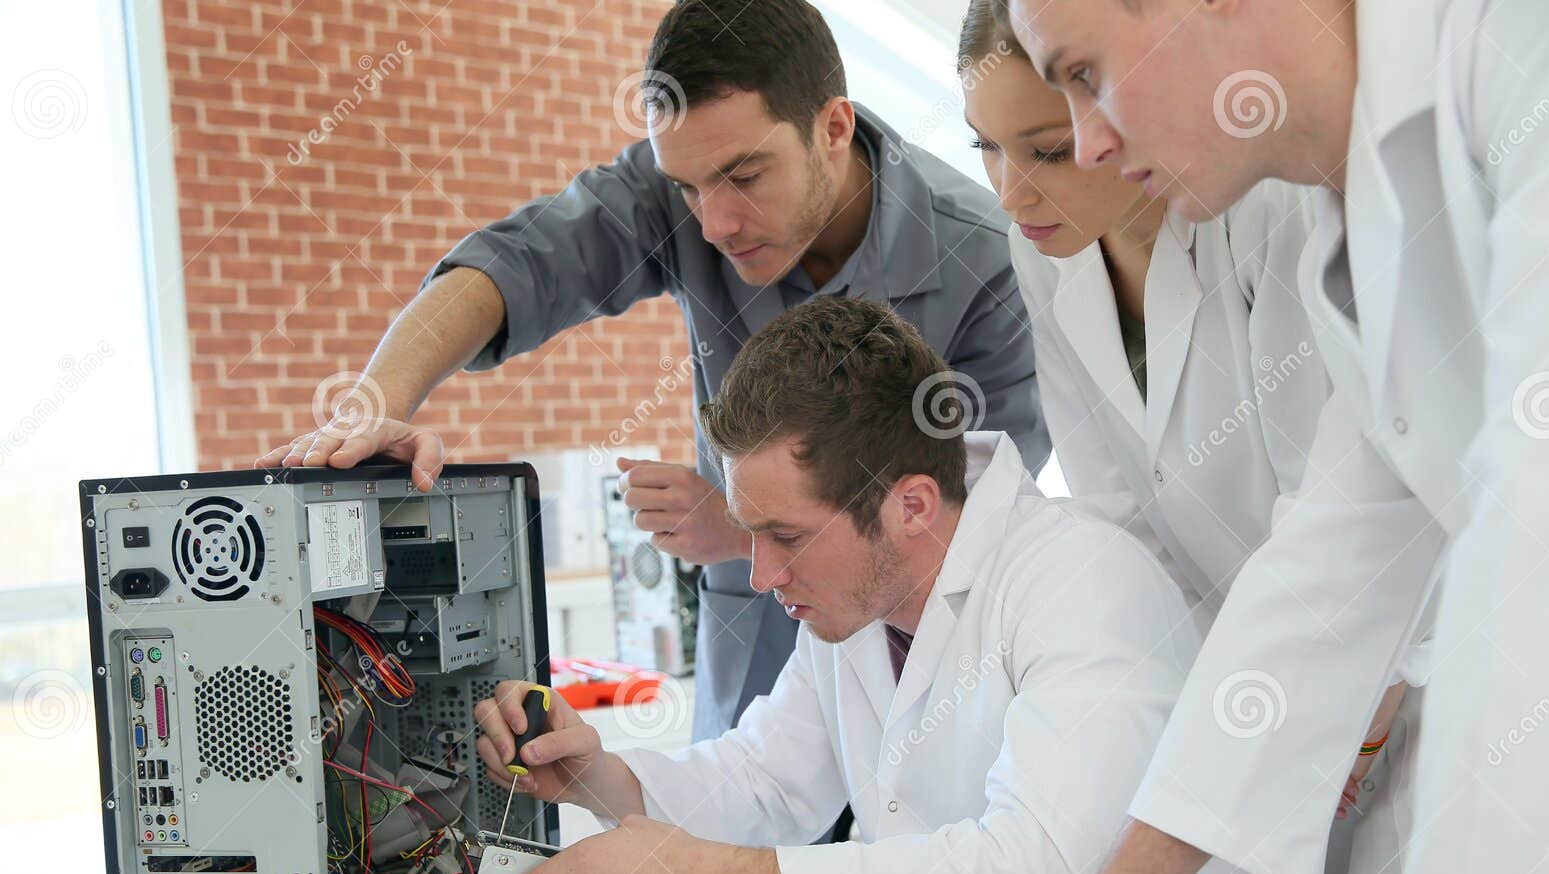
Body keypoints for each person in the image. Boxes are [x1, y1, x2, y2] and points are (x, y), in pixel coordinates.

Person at [919, 0, 1549, 874]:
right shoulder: (1355, 221)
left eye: (1086, 75)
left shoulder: (1536, 53)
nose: (1088, 140)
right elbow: (1324, 564)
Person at [473, 295, 1298, 874]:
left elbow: (1036, 873)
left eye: (785, 536)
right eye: (749, 531)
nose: (759, 574)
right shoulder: (852, 606)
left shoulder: (1083, 581)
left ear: (910, 506)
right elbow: (765, 780)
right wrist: (596, 776)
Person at [256, 0, 1047, 742]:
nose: (714, 221)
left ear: (833, 126)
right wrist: (372, 405)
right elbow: (518, 265)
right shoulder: (695, 188)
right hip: (754, 656)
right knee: (728, 856)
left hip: (923, 670)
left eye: (744, 176)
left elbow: (969, 520)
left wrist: (741, 529)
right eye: (687, 188)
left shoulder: (985, 258)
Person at [955, 0, 1411, 874]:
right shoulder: (1055, 255)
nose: (1014, 189)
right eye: (985, 146)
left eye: (1060, 131)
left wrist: (1336, 712)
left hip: (1405, 686)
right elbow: (1131, 535)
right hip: (1273, 678)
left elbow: (1341, 539)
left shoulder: (1283, 206)